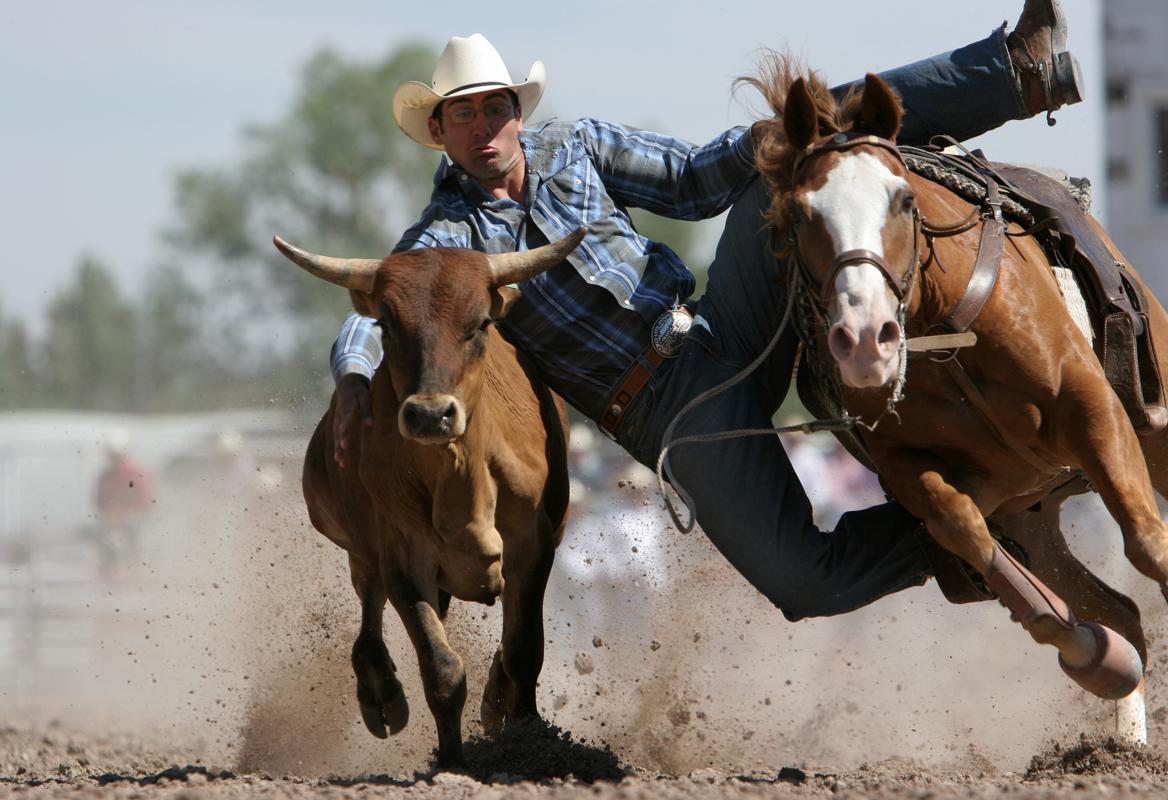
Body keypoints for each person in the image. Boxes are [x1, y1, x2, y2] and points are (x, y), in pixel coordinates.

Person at [326, 2, 1083, 621]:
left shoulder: (575, 145)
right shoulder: (442, 245)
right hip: (672, 415)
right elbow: (381, 316)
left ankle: (1015, 72)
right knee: (804, 584)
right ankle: (961, 534)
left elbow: (691, 180)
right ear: (440, 130)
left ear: (518, 113)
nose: (486, 125)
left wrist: (772, 138)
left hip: (718, 324)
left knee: (797, 144)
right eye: (466, 115)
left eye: (497, 108)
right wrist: (356, 377)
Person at [93, 430, 155, 574]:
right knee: (104, 537)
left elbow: (143, 500)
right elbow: (99, 501)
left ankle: (133, 569)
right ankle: (110, 571)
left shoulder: (134, 472)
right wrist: (110, 515)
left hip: (134, 517)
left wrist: (121, 514)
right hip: (114, 519)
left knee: (131, 537)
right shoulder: (105, 475)